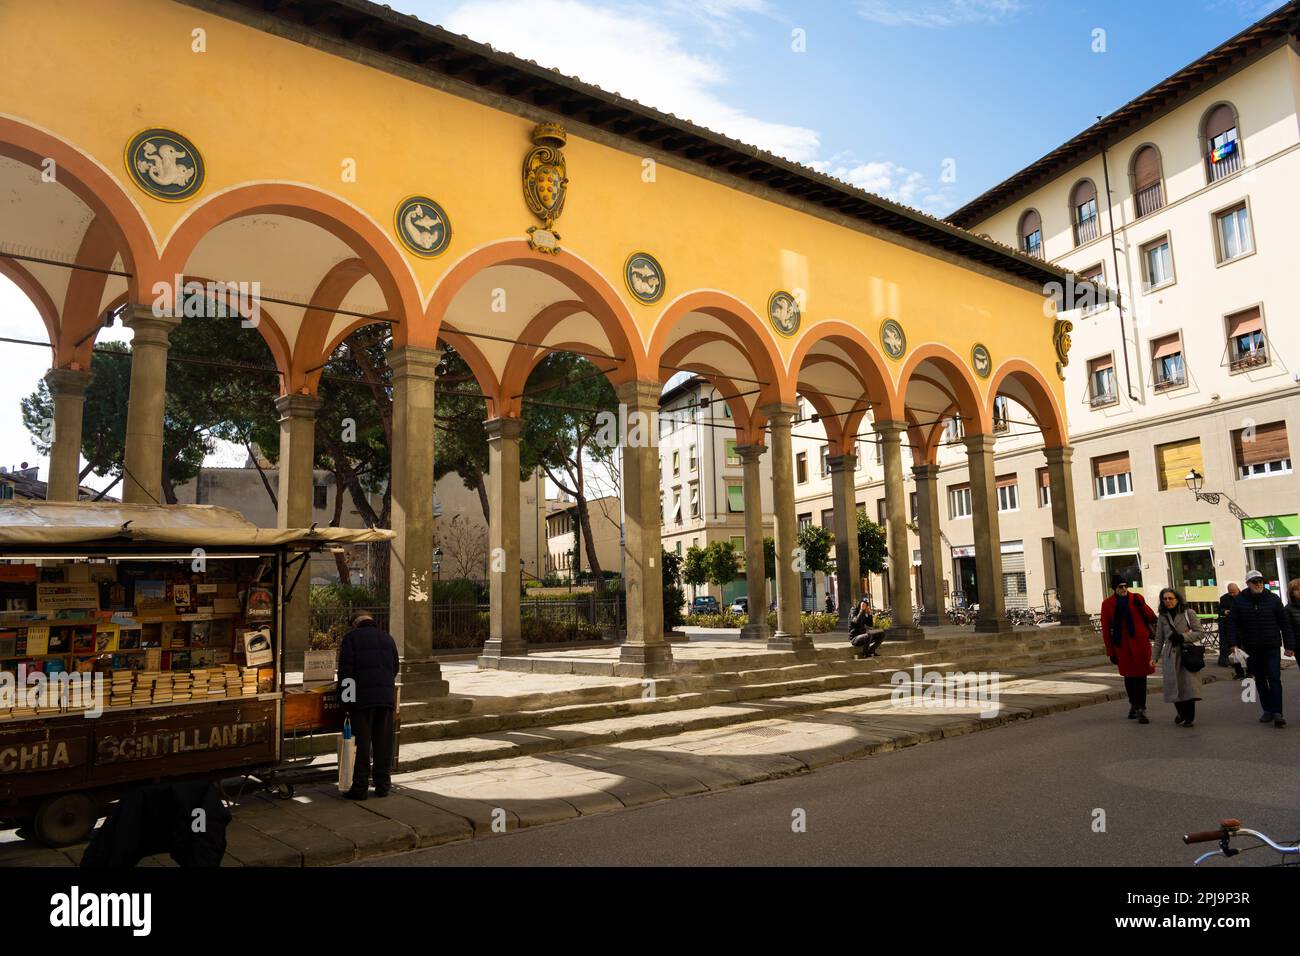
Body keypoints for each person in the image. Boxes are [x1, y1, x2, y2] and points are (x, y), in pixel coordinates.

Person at [337, 612, 400, 799]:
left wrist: (346, 701)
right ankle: (383, 786)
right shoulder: (388, 638)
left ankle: (360, 788)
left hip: (362, 701)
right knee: (383, 744)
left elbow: (346, 672)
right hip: (386, 698)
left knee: (362, 745)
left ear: (355, 624)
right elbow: (395, 668)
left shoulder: (351, 638)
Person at [1228, 570, 1296, 728]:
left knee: (1274, 677)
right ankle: (1268, 710)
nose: (1258, 584)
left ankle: (1278, 712)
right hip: (1251, 647)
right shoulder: (1239, 601)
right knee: (1259, 679)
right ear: (1248, 584)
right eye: (1255, 581)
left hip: (1271, 645)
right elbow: (1232, 624)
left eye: (1260, 581)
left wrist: (1289, 645)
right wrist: (1233, 644)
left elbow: (1284, 624)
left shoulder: (1273, 599)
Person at [1100, 573, 1156, 724]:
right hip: (1122, 645)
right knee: (1129, 677)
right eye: (1120, 587)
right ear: (1114, 588)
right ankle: (1134, 704)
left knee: (1141, 676)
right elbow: (1106, 630)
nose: (1124, 589)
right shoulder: (1107, 604)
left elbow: (1151, 617)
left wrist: (1142, 605)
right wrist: (1110, 651)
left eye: (1126, 586)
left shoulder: (1136, 598)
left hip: (1140, 643)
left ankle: (1141, 708)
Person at [1151, 587, 1204, 728]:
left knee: (1188, 686)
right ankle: (1181, 713)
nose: (1168, 601)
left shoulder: (1188, 613)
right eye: (1165, 599)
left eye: (1170, 598)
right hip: (1170, 654)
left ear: (1177, 599)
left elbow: (1200, 632)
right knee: (1173, 686)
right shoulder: (1162, 616)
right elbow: (1158, 639)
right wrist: (1154, 657)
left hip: (1186, 652)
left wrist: (1182, 636)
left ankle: (1189, 718)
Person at [1217, 582, 1244, 678]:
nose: (1232, 594)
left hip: (1242, 627)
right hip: (1230, 626)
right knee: (1235, 650)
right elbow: (1219, 610)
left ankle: (1249, 671)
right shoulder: (1224, 598)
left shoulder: (1244, 597)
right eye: (1230, 592)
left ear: (1238, 589)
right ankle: (1239, 672)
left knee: (1244, 649)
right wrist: (1225, 611)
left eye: (1234, 592)